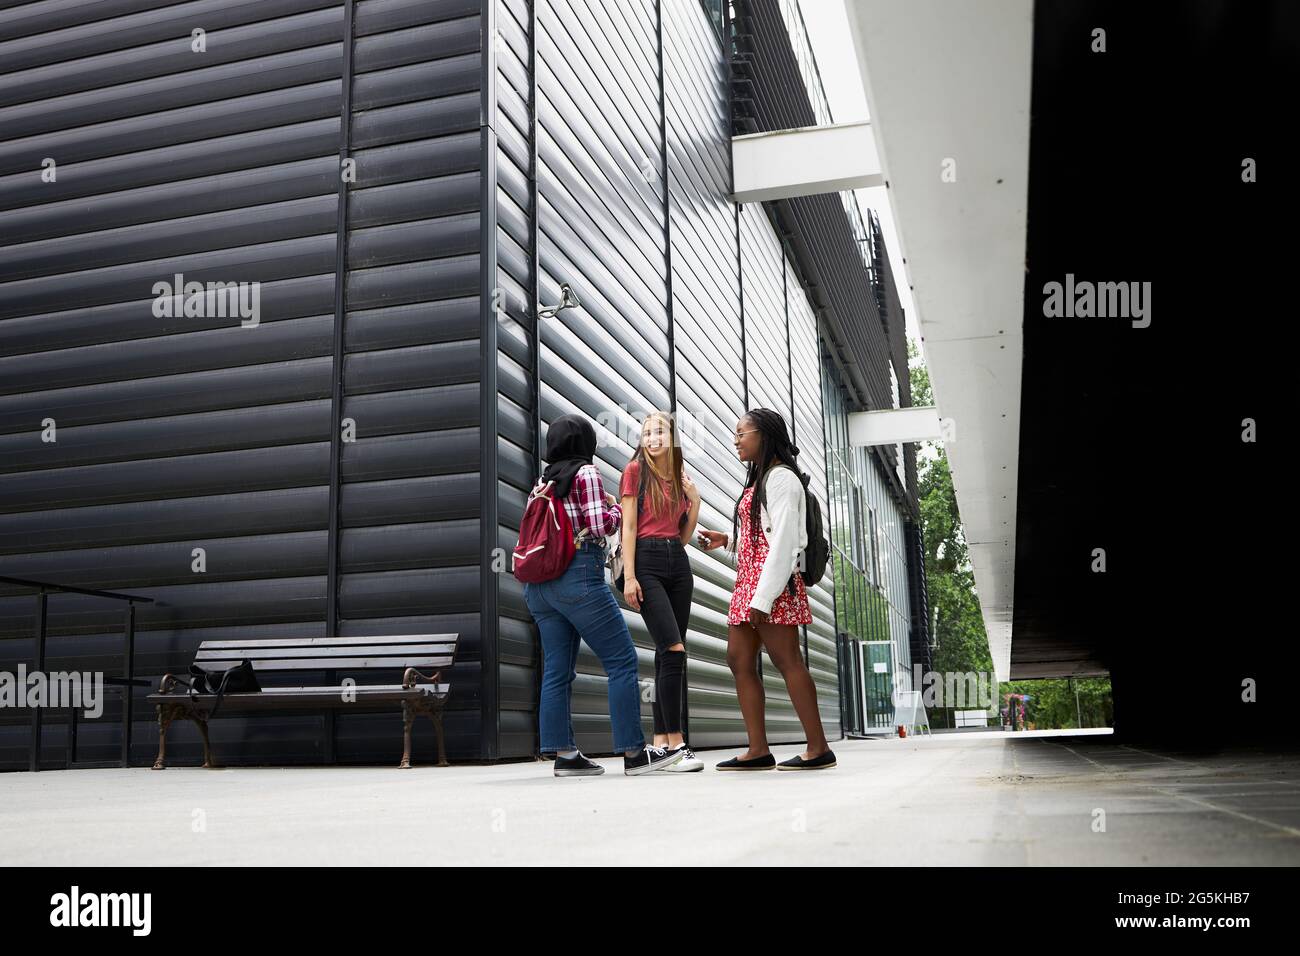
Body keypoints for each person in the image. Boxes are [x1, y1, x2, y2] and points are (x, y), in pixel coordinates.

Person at [522, 413, 684, 777]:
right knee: (622, 662)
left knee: (557, 671)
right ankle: (633, 753)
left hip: (539, 588)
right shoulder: (586, 474)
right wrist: (613, 505)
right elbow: (601, 525)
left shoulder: (542, 482)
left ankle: (564, 756)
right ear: (585, 443)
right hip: (578, 578)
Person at [696, 409, 837, 771]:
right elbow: (761, 534)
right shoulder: (761, 477)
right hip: (750, 580)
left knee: (787, 660)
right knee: (738, 660)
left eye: (742, 432)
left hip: (771, 584)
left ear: (765, 434)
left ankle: (818, 748)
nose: (736, 439)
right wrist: (729, 540)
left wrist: (763, 597)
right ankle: (758, 749)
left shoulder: (781, 479)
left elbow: (786, 542)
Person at [620, 411, 703, 772]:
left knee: (668, 654)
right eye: (647, 432)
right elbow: (629, 528)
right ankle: (677, 744)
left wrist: (695, 502)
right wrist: (630, 577)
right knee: (674, 649)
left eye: (660, 432)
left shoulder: (679, 478)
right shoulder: (634, 472)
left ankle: (661, 743)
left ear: (671, 438)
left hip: (677, 563)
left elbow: (682, 537)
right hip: (647, 562)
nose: (653, 438)